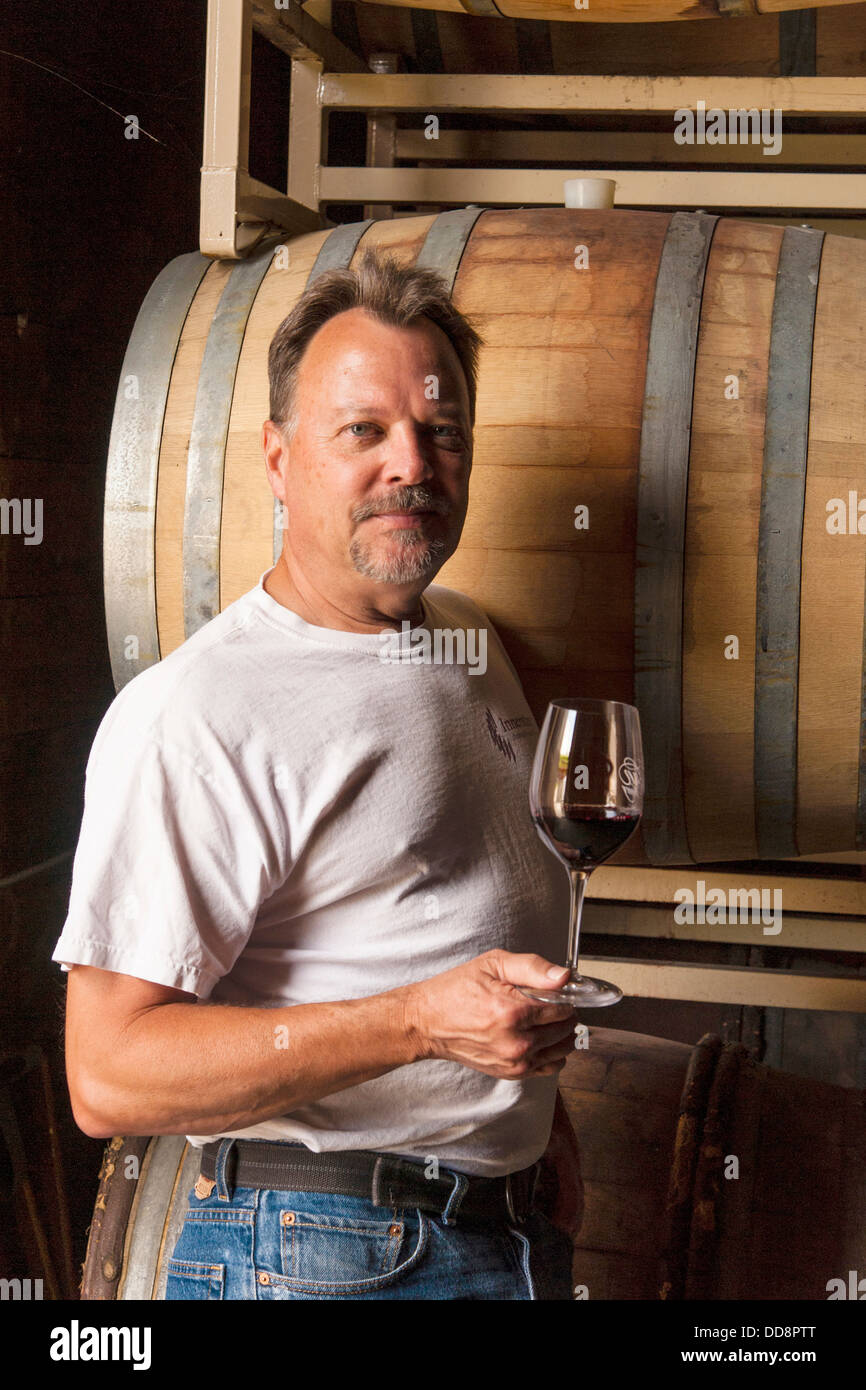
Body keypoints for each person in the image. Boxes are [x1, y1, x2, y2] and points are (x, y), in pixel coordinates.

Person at [53, 248, 583, 1301]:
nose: (411, 464)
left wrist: (535, 1137)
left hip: (496, 1231)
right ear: (278, 458)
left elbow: (453, 917)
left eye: (440, 433)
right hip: (324, 1252)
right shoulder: (195, 712)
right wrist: (423, 1022)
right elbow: (106, 1073)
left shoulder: (470, 642)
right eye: (363, 431)